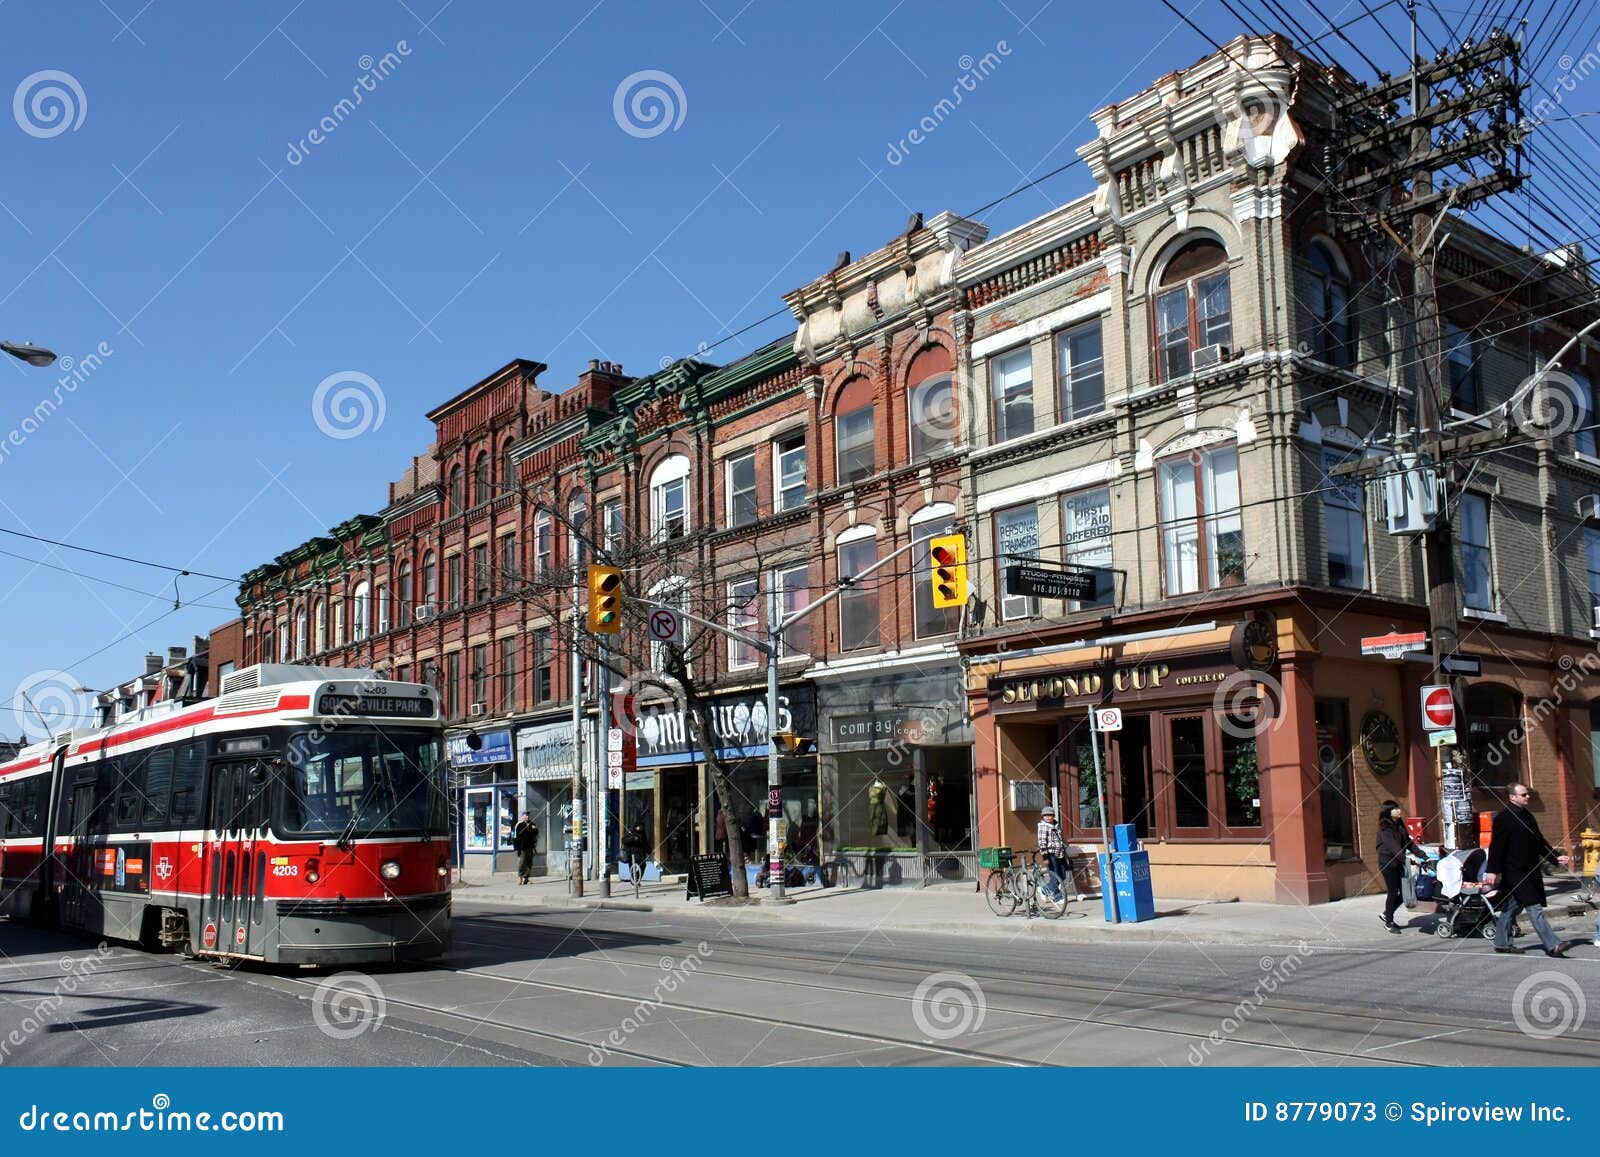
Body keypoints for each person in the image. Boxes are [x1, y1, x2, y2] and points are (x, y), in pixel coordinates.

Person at [1482, 783, 1575, 957]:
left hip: (1530, 870)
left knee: (1511, 908)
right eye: (1523, 795)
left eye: (1528, 794)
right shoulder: (1504, 818)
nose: (1527, 797)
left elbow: (1539, 841)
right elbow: (1496, 847)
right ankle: (1553, 945)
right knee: (1534, 906)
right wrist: (1492, 870)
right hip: (1514, 871)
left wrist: (1555, 857)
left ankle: (1502, 943)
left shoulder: (1528, 816)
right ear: (1512, 797)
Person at [1375, 800, 1425, 932]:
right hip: (1388, 863)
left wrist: (1423, 855)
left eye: (1398, 808)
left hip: (1399, 862)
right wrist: (1408, 860)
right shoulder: (1384, 827)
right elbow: (1393, 848)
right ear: (1388, 812)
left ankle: (1386, 913)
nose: (1399, 810)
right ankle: (1389, 921)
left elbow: (1408, 843)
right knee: (1393, 891)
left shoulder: (1400, 824)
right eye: (1395, 809)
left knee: (1404, 893)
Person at [1037, 807, 1066, 900]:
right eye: (1046, 815)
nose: (1048, 817)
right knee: (1054, 875)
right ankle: (1057, 897)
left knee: (1062, 875)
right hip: (1050, 854)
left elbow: (1060, 838)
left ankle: (1044, 890)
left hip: (1060, 853)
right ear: (1043, 817)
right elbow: (1042, 842)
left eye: (1050, 815)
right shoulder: (1043, 826)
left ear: (1053, 816)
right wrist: (1045, 857)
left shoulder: (1056, 825)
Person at [513, 813, 539, 885]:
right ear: (522, 817)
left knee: (529, 863)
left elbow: (536, 834)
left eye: (528, 815)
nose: (527, 817)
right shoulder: (520, 825)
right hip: (522, 847)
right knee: (522, 863)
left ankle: (526, 878)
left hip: (530, 847)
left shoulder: (532, 824)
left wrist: (535, 829)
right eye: (525, 815)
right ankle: (520, 878)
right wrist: (517, 848)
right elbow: (516, 838)